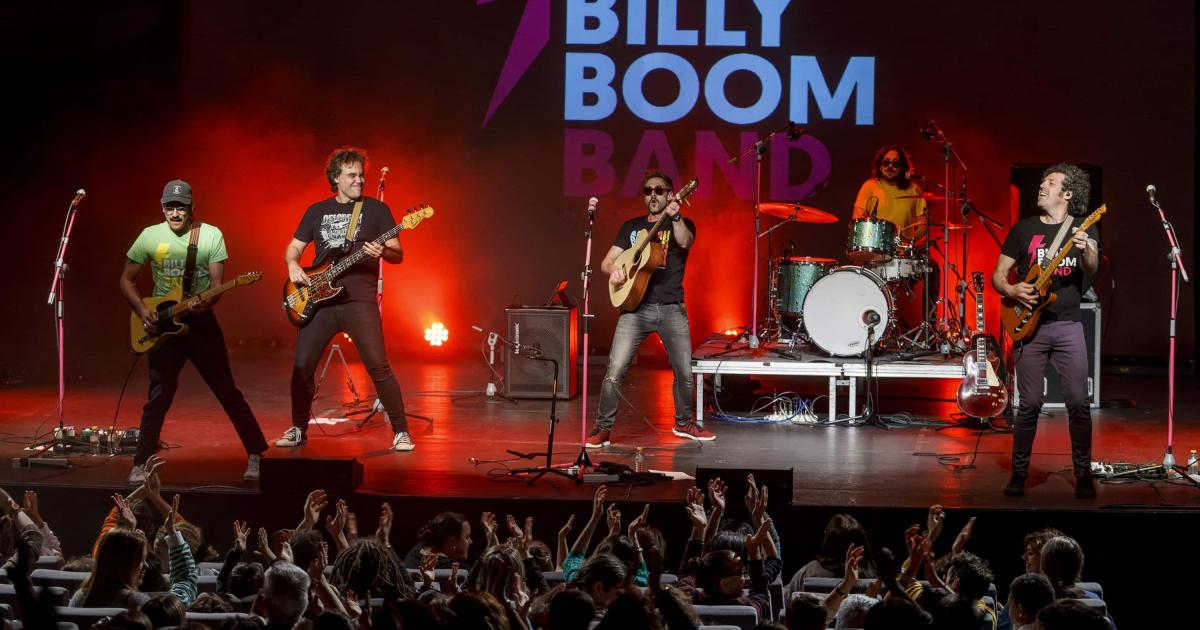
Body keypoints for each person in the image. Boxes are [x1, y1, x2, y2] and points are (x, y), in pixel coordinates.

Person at [120, 179, 268, 483]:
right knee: (159, 396)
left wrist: (208, 301)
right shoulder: (149, 236)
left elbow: (217, 286)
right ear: (162, 207)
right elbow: (126, 279)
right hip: (161, 324)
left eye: (181, 207)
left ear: (192, 208)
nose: (175, 213)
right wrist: (142, 310)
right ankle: (141, 461)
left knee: (227, 391)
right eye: (169, 207)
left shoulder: (211, 235)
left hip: (200, 323)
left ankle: (256, 454)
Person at [280, 147, 414, 452]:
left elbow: (398, 253)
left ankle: (401, 431)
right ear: (335, 178)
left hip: (358, 301)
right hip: (318, 299)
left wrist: (384, 252)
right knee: (302, 367)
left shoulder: (377, 211)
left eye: (361, 175)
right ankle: (299, 428)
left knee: (378, 366)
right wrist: (293, 266)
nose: (359, 180)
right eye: (351, 175)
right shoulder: (316, 211)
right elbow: (293, 249)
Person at [993, 164, 1100, 498]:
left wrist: (1085, 250)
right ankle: (1019, 473)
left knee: (1078, 403)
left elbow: (1092, 268)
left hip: (1068, 325)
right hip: (1030, 329)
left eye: (1050, 183)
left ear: (1067, 194)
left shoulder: (1083, 228)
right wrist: (1011, 291)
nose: (1042, 186)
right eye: (1042, 182)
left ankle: (1083, 474)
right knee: (1028, 405)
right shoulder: (1023, 229)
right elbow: (999, 275)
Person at [587, 171, 712, 447]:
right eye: (648, 191)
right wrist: (616, 271)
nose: (653, 195)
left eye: (659, 190)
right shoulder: (630, 227)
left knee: (683, 372)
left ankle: (684, 423)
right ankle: (602, 428)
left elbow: (686, 242)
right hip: (634, 309)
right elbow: (607, 262)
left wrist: (677, 217)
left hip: (671, 308)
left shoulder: (682, 222)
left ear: (670, 194)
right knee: (615, 370)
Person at [852, 145, 928, 244]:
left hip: (901, 254)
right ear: (880, 166)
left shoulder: (914, 189)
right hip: (874, 250)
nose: (890, 166)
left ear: (902, 168)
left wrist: (909, 241)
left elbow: (924, 224)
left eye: (895, 164)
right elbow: (857, 220)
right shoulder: (870, 186)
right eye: (886, 162)